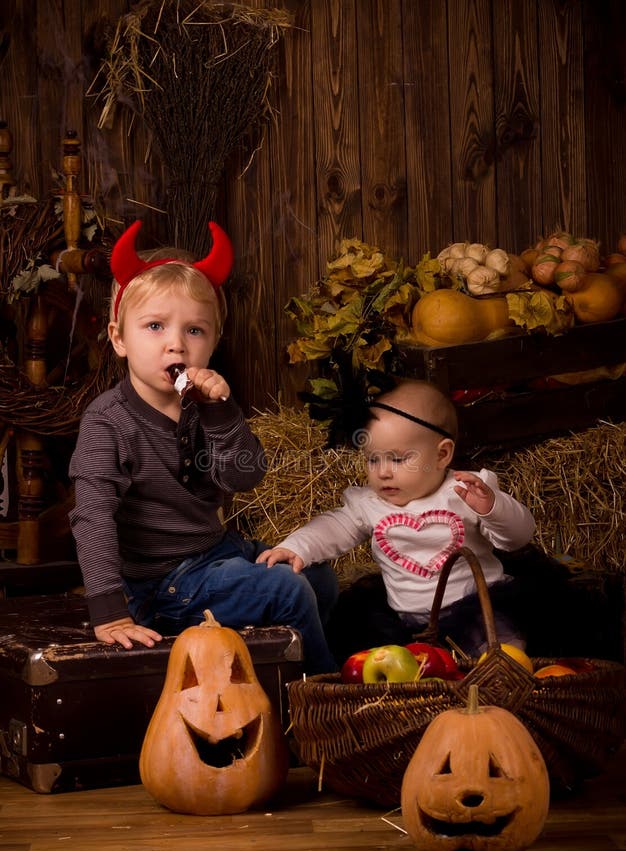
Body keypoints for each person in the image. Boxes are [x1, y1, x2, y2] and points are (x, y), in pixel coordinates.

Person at [69, 220, 338, 674]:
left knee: (316, 576)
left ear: (212, 342)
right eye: (154, 326)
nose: (176, 343)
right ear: (119, 339)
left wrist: (221, 411)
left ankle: (284, 673)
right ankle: (326, 695)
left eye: (194, 331)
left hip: (215, 554)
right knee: (286, 592)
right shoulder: (108, 420)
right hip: (160, 585)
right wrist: (109, 609)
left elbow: (245, 476)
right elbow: (91, 516)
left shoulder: (205, 405)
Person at [257, 380, 536, 662]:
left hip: (476, 608)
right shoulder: (369, 504)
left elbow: (518, 538)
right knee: (380, 660)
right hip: (407, 624)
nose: (383, 473)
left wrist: (493, 507)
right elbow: (333, 527)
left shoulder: (465, 491)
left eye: (398, 459)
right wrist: (296, 547)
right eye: (373, 460)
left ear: (442, 455)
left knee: (501, 650)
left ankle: (501, 680)